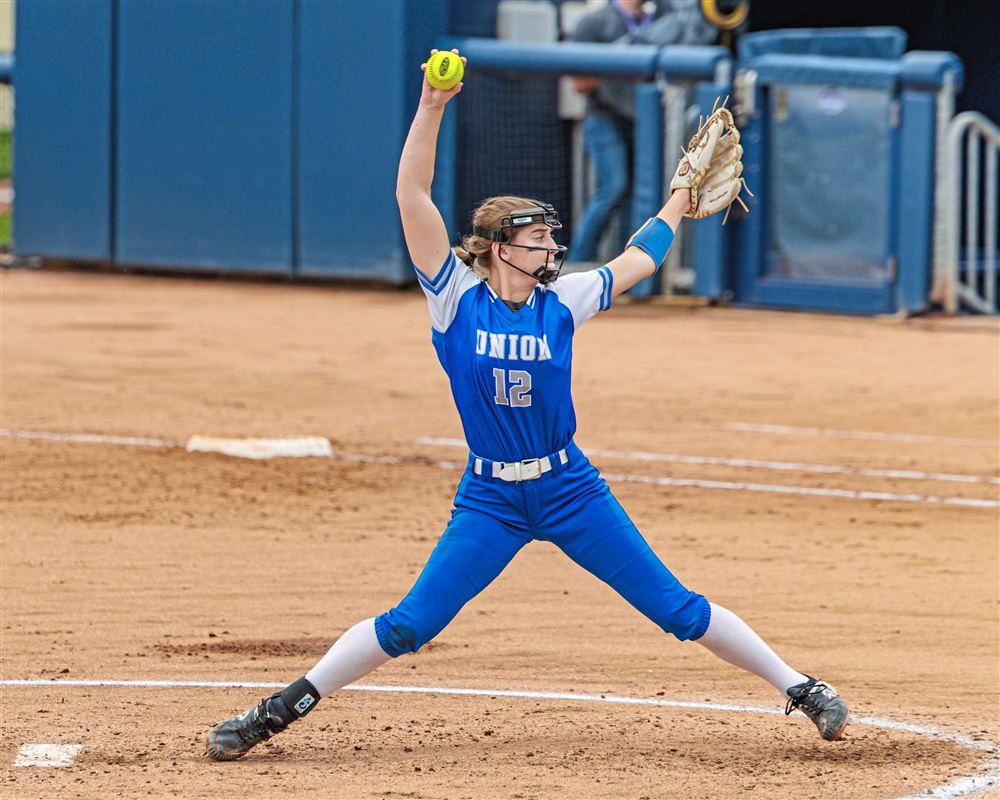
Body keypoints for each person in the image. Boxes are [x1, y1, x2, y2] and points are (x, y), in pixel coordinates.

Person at [205, 49, 849, 762]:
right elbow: (412, 196)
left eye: (549, 238)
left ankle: (802, 688)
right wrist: (431, 107)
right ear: (497, 249)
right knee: (411, 624)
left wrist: (677, 198)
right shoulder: (453, 297)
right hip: (491, 500)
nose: (551, 248)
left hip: (571, 488)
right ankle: (280, 708)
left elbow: (638, 260)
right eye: (537, 239)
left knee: (676, 608)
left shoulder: (562, 301)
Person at [568, 0, 718, 264]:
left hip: (643, 120)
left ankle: (624, 265)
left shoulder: (663, 16)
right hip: (603, 116)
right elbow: (580, 83)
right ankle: (577, 262)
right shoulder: (594, 22)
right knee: (613, 187)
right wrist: (624, 62)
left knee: (637, 196)